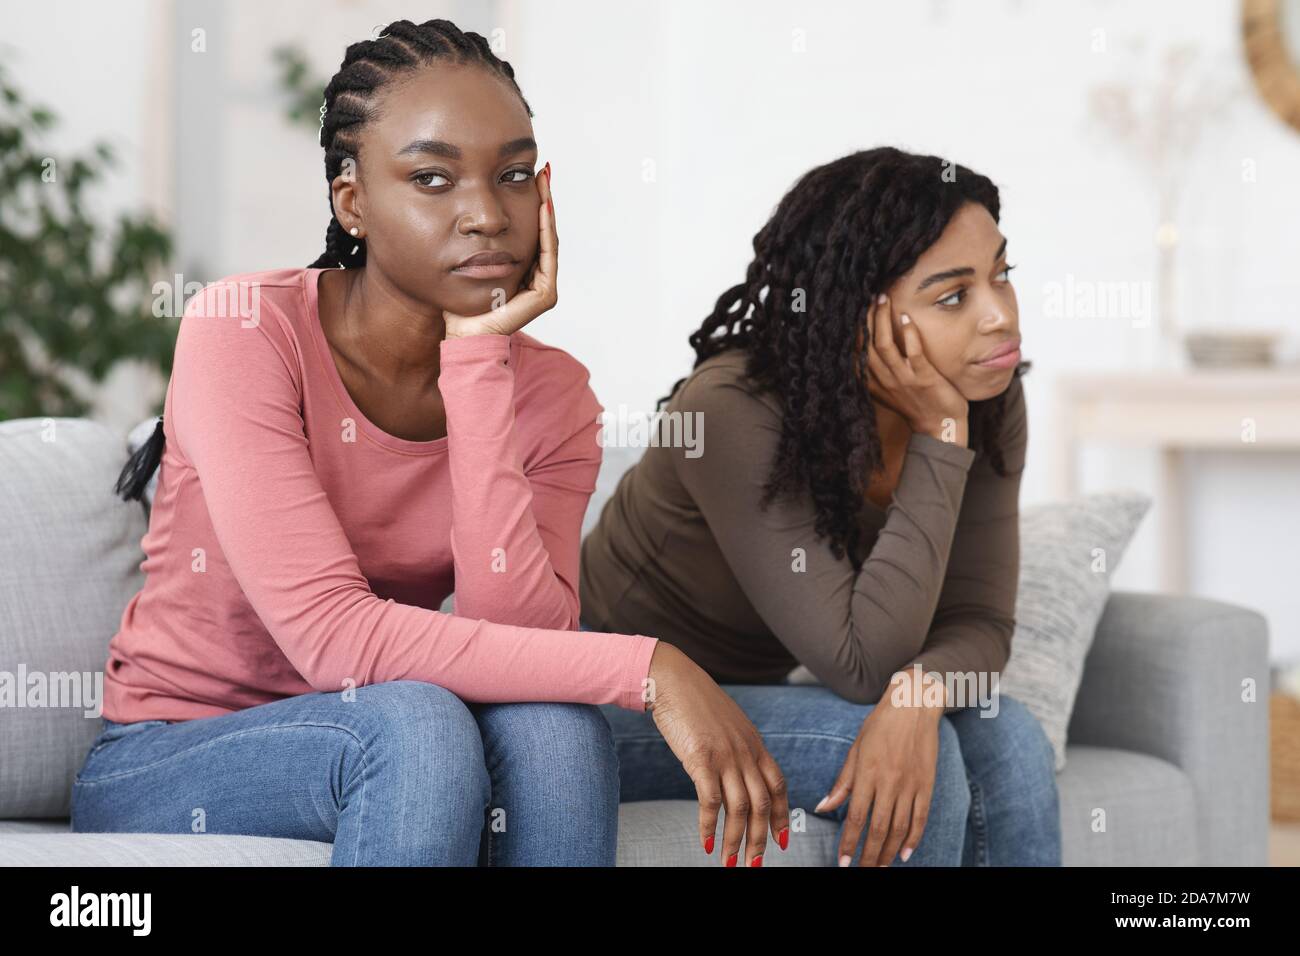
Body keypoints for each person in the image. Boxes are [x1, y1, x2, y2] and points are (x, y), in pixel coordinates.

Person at [73, 17, 789, 868]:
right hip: (180, 749)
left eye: (514, 175)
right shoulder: (245, 329)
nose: (486, 214)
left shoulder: (554, 392)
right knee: (416, 722)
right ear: (354, 202)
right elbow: (333, 639)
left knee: (555, 729)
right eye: (433, 178)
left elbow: (521, 634)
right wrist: (649, 668)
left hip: (402, 724)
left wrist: (479, 360)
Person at [580, 147, 1062, 866]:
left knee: (1012, 736)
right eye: (954, 295)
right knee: (891, 756)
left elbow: (981, 621)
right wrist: (940, 435)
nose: (1000, 316)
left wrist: (921, 691)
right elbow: (860, 666)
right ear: (860, 317)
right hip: (612, 704)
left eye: (1002, 275)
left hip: (753, 689)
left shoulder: (985, 396)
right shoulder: (731, 410)